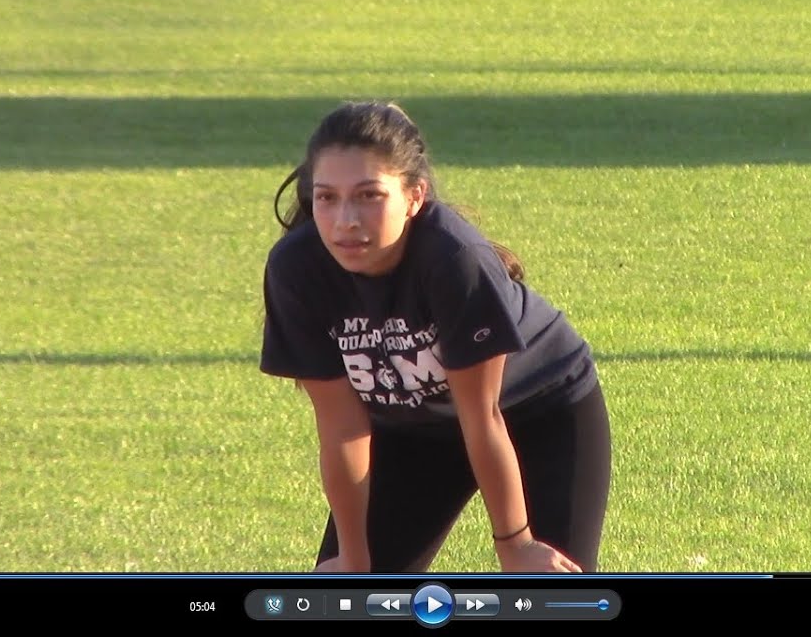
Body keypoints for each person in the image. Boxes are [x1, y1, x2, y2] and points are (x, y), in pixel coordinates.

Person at [259, 100, 611, 573]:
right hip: (411, 431)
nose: (346, 220)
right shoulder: (296, 270)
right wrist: (355, 559)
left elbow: (481, 416)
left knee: (549, 599)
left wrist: (516, 545)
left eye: (369, 195)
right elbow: (343, 427)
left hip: (539, 410)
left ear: (414, 197)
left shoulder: (453, 259)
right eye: (327, 197)